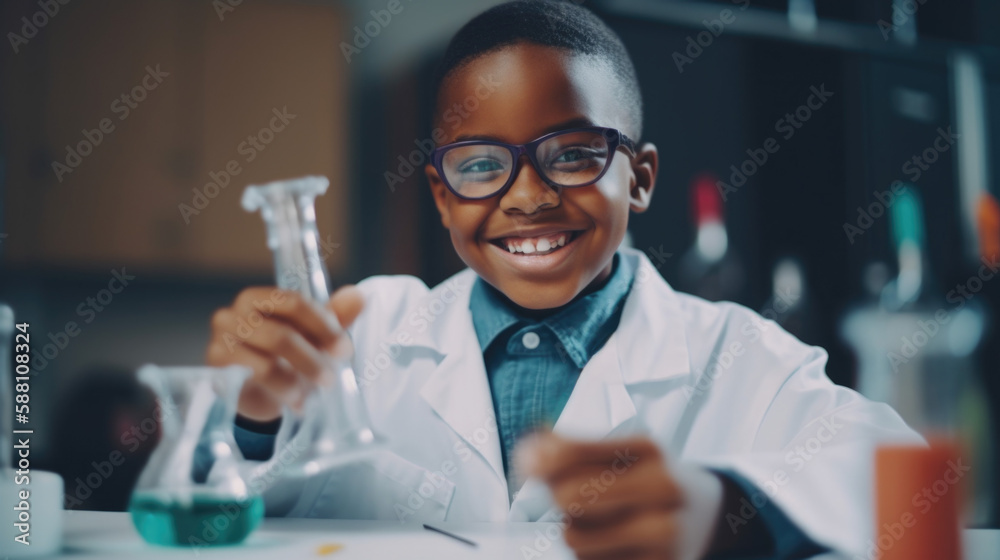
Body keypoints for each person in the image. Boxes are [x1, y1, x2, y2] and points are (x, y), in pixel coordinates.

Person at [205, 1, 921, 558]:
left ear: (639, 179)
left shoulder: (738, 354)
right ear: (442, 196)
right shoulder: (364, 336)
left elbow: (904, 476)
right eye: (480, 165)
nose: (527, 197)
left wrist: (727, 510)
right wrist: (254, 418)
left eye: (574, 155)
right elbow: (211, 512)